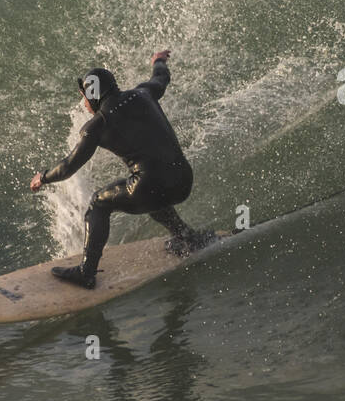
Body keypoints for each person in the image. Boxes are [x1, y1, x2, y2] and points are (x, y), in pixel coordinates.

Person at [30, 50, 214, 289]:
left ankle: (87, 272)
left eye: (84, 96)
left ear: (94, 94)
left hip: (149, 187)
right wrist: (158, 60)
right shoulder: (144, 93)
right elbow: (161, 77)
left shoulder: (97, 125)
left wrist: (42, 177)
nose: (83, 103)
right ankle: (186, 237)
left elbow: (67, 167)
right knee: (150, 190)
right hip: (182, 180)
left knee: (99, 203)